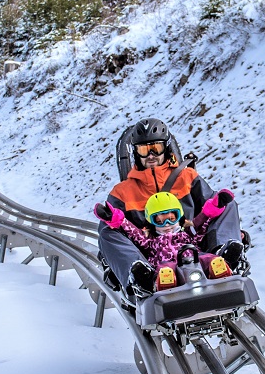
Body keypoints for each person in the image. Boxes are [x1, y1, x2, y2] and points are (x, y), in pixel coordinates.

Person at [95, 117, 245, 292]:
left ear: (165, 148)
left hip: (193, 242)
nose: (151, 155)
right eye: (144, 150)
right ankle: (140, 275)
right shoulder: (122, 191)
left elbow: (210, 208)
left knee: (226, 205)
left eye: (156, 148)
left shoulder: (187, 177)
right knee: (107, 232)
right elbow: (111, 228)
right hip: (150, 252)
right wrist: (112, 219)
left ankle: (223, 255)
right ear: (136, 153)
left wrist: (220, 208)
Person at [96, 191, 234, 291]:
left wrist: (215, 206)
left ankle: (219, 268)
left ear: (179, 217)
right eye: (160, 221)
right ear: (151, 222)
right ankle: (164, 283)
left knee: (207, 257)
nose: (167, 224)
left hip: (194, 262)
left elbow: (202, 220)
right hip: (167, 266)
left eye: (172, 219)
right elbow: (132, 232)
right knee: (165, 269)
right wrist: (116, 219)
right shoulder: (150, 241)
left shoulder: (187, 233)